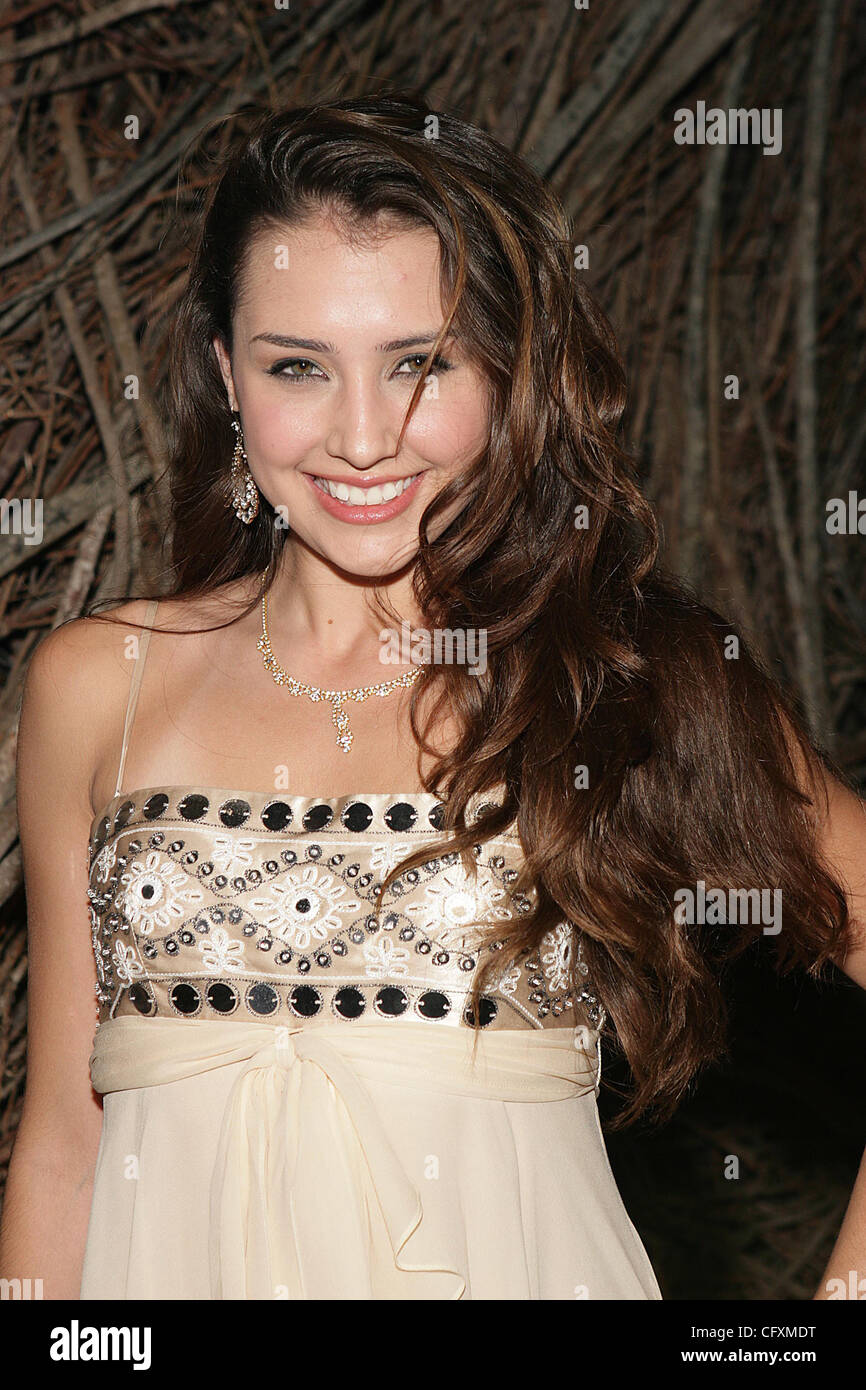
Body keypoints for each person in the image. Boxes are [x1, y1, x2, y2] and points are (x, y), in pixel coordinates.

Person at [1, 91, 863, 1301]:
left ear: (508, 377)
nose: (362, 437)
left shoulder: (619, 679)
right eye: (298, 365)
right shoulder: (101, 684)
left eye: (420, 364)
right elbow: (64, 1147)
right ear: (224, 378)